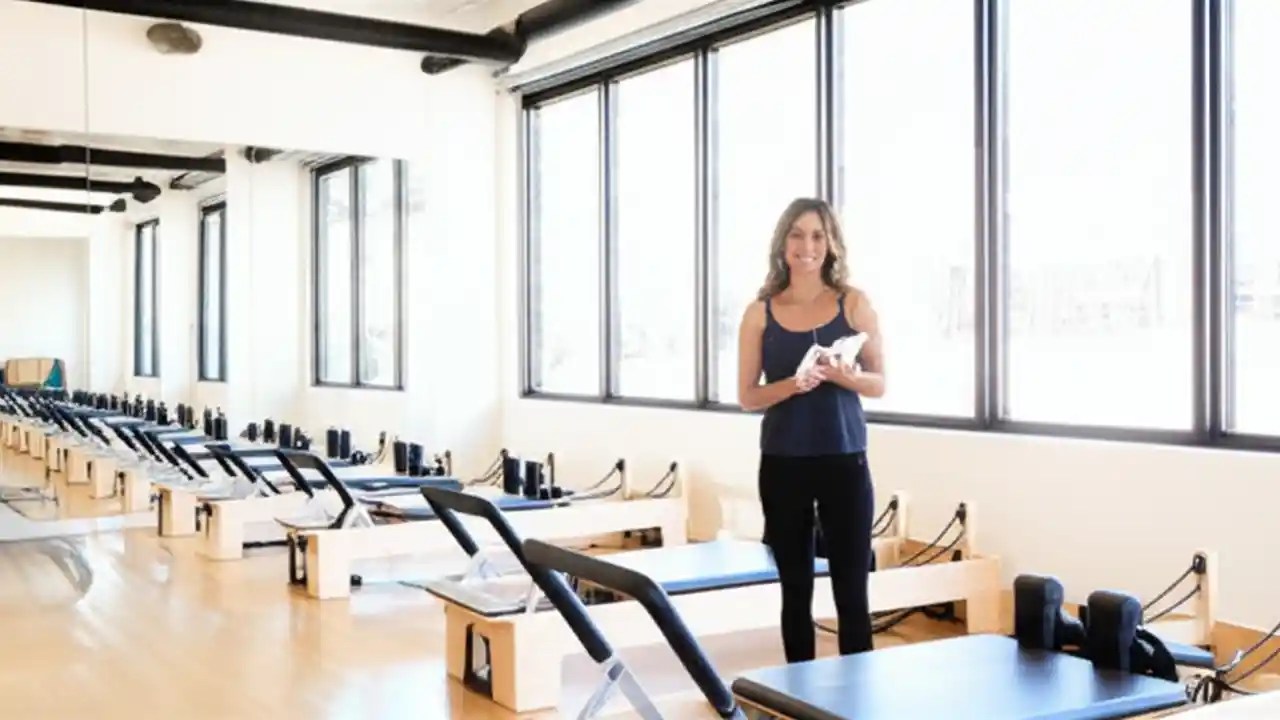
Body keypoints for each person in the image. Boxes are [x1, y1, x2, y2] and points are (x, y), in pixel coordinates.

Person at [736, 197, 885, 663]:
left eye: (818, 235)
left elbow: (879, 384)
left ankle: (856, 704)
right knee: (795, 591)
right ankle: (797, 698)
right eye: (798, 235)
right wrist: (792, 385)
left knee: (852, 593)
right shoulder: (759, 313)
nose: (808, 246)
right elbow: (747, 395)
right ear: (783, 244)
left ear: (831, 244)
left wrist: (846, 376)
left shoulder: (854, 304)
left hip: (845, 459)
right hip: (783, 463)